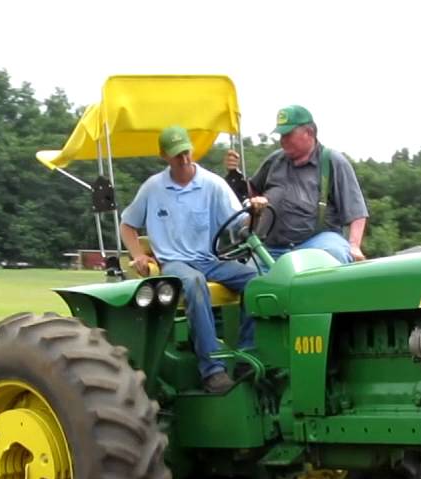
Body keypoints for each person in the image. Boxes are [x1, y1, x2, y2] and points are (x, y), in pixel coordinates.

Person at [120, 125, 256, 394]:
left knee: (256, 279)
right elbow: (127, 224)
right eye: (176, 154)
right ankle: (212, 370)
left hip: (208, 258)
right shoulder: (153, 188)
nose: (183, 159)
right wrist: (138, 254)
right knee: (194, 283)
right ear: (163, 156)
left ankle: (246, 356)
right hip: (174, 263)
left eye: (186, 151)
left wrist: (255, 209)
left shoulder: (213, 184)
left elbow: (240, 224)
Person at [225, 105, 368, 265]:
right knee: (247, 277)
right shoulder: (274, 161)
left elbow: (356, 212)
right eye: (281, 135)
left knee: (335, 255)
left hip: (318, 242)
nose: (282, 140)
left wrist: (354, 246)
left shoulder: (332, 162)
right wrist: (235, 177)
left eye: (288, 135)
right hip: (272, 247)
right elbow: (251, 193)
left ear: (309, 133)